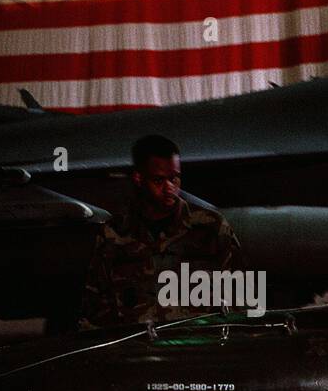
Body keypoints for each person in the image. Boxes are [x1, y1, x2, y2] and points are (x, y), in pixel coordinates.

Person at [79, 134, 245, 328]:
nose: (170, 188)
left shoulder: (211, 227)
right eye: (159, 181)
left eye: (174, 178)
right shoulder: (114, 235)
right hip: (137, 351)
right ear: (139, 178)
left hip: (198, 350)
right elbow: (94, 311)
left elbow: (242, 298)